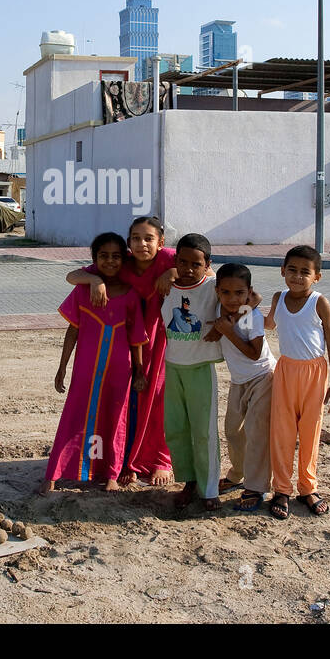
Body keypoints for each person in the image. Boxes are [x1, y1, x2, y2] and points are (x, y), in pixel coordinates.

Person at [65, 217, 177, 486]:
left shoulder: (170, 259)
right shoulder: (123, 263)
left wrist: (172, 273)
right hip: (128, 343)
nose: (142, 244)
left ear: (160, 242)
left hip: (162, 340)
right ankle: (128, 460)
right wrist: (94, 280)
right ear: (129, 243)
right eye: (136, 238)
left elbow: (207, 270)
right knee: (128, 402)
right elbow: (72, 276)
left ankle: (160, 460)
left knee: (158, 399)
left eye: (148, 238)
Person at [44, 232, 148, 493]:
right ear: (94, 259)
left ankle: (110, 472)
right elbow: (72, 331)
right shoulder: (83, 291)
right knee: (75, 416)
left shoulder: (131, 296)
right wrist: (62, 367)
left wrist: (138, 371)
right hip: (85, 369)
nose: (110, 261)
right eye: (104, 256)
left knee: (114, 420)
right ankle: (54, 473)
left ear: (124, 259)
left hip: (119, 371)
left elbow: (136, 339)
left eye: (116, 256)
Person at [264, 245, 330, 519]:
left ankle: (308, 487)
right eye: (292, 270)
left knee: (310, 432)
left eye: (305, 272)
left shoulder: (319, 302)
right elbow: (270, 325)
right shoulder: (278, 297)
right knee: (282, 432)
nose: (297, 277)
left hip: (315, 374)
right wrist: (245, 308)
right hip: (285, 372)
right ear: (283, 271)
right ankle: (282, 489)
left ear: (316, 277)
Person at [161, 233, 225, 511]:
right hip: (172, 367)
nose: (188, 269)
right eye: (182, 262)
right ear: (175, 261)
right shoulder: (166, 287)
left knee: (205, 432)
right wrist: (167, 275)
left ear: (207, 264)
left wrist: (224, 323)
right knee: (177, 430)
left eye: (195, 264)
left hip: (201, 370)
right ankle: (188, 481)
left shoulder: (213, 287)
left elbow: (252, 298)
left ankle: (209, 488)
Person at [205, 263, 275, 513]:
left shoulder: (251, 317)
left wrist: (228, 330)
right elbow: (254, 297)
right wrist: (226, 322)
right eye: (226, 293)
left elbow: (255, 354)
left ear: (247, 292)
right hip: (238, 381)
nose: (232, 298)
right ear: (217, 292)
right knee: (232, 431)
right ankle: (237, 474)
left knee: (257, 433)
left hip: (263, 378)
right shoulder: (221, 307)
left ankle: (256, 486)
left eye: (239, 293)